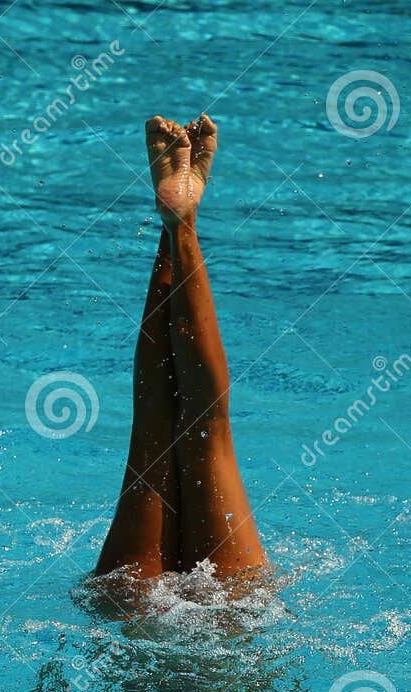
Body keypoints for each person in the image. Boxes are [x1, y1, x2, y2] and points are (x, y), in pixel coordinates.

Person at [95, 115, 268, 584]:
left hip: (172, 615)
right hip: (223, 621)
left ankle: (179, 226)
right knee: (187, 430)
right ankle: (179, 225)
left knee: (190, 429)